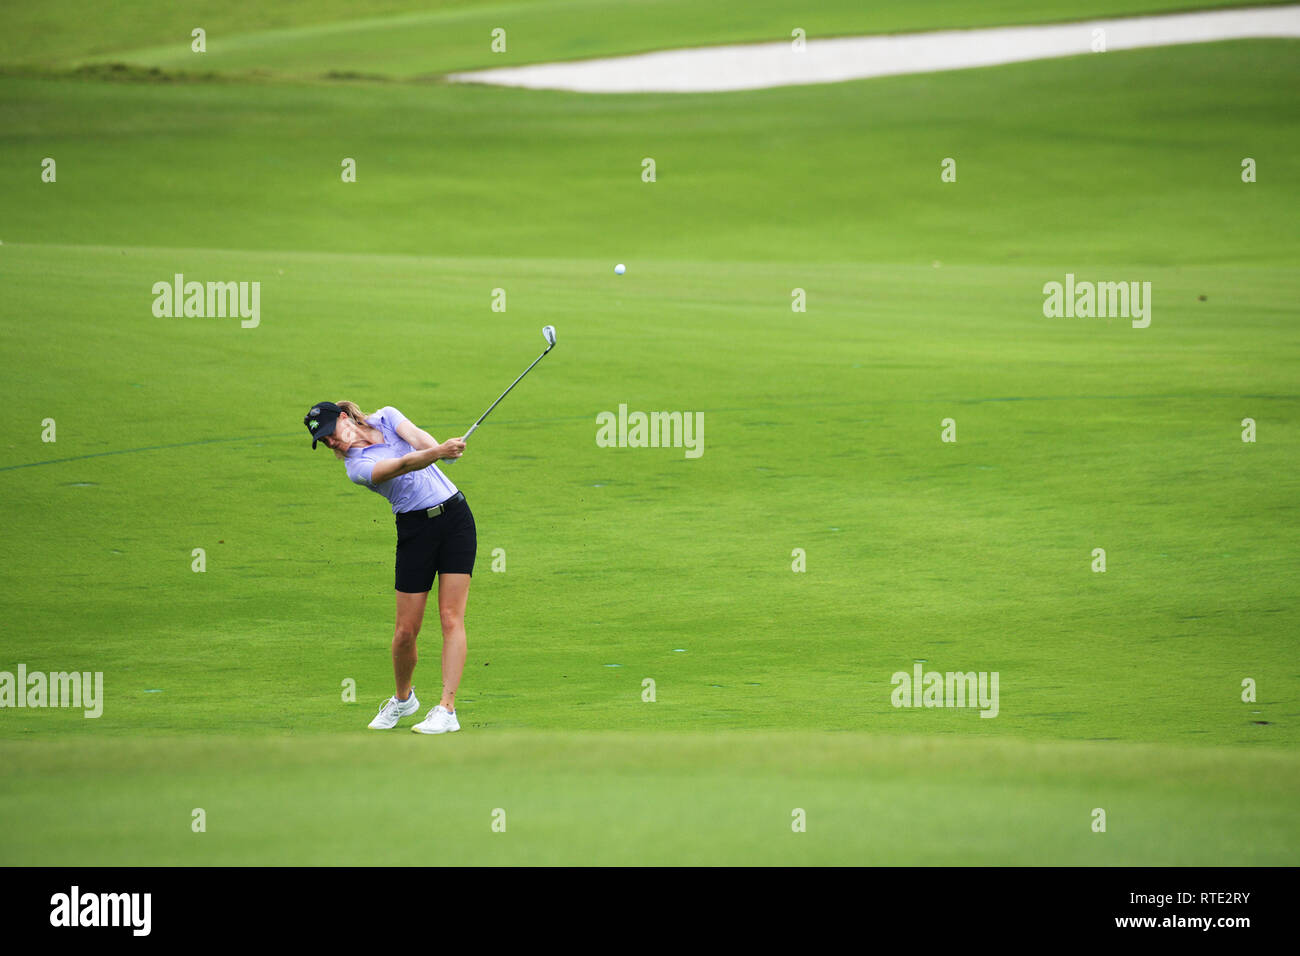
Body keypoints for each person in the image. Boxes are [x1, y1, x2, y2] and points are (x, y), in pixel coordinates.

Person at [303, 400, 473, 734]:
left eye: (330, 433)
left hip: (457, 520)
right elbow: (403, 464)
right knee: (405, 632)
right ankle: (403, 698)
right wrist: (439, 452)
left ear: (343, 417)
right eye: (323, 442)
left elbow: (420, 440)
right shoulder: (356, 467)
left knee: (451, 618)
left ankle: (447, 709)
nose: (331, 443)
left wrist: (443, 451)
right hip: (415, 532)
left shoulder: (387, 417)